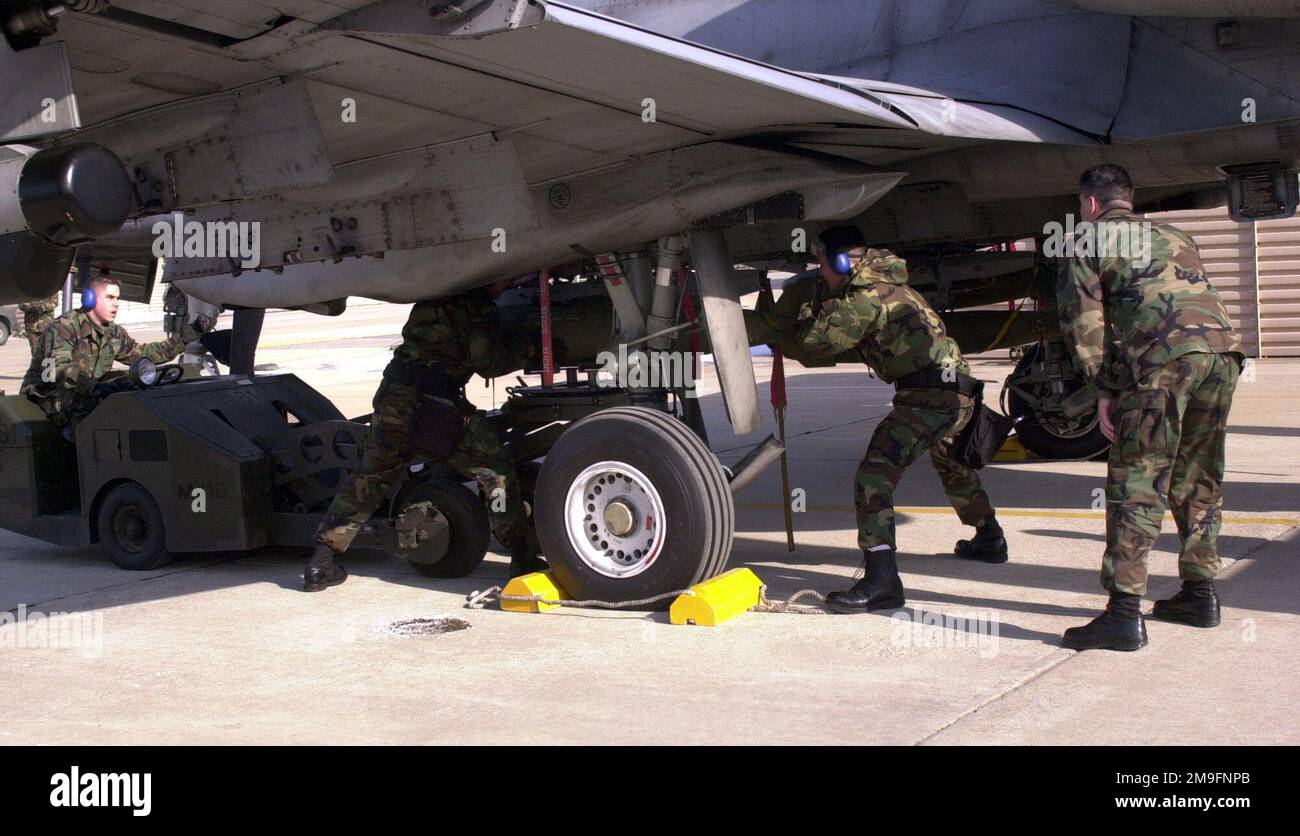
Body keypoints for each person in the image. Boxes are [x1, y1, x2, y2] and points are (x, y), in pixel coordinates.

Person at [1057, 164, 1243, 651]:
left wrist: (1103, 390)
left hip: (1162, 364)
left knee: (1136, 479)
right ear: (1129, 199)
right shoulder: (1174, 232)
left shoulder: (1085, 240)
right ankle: (1199, 594)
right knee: (1198, 474)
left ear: (1091, 204)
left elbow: (1083, 325)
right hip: (1220, 356)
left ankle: (1123, 614)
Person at [790, 225, 1006, 614]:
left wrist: (812, 303)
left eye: (821, 263)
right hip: (958, 394)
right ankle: (988, 536)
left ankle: (881, 579)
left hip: (929, 398)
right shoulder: (895, 285)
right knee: (952, 464)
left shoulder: (864, 297)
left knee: (874, 476)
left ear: (842, 261)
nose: (819, 271)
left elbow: (814, 345)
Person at [305, 279, 543, 592]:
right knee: (494, 471)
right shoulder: (477, 305)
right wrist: (531, 347)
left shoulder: (436, 291)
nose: (511, 284)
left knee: (370, 479)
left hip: (394, 396)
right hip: (432, 405)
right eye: (509, 279)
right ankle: (522, 557)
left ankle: (320, 564)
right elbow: (488, 363)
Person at [20, 271, 206, 440]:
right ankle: (81, 456)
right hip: (47, 395)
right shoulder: (64, 328)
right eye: (109, 298)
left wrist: (183, 338)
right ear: (90, 299)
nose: (116, 304)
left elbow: (144, 354)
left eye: (117, 298)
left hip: (86, 391)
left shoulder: (114, 333)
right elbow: (59, 369)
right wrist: (95, 387)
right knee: (89, 405)